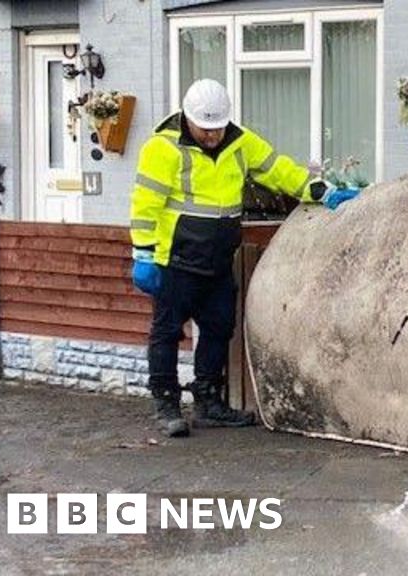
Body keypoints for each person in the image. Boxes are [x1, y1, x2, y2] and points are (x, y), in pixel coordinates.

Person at [129, 78, 337, 438]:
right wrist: (143, 252)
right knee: (166, 333)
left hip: (218, 260)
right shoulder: (162, 149)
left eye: (217, 128)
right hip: (174, 260)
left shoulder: (241, 142)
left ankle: (208, 402)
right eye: (204, 128)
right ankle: (166, 405)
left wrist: (319, 190)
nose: (212, 135)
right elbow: (146, 203)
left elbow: (278, 169)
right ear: (187, 118)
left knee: (219, 328)